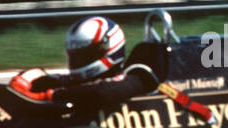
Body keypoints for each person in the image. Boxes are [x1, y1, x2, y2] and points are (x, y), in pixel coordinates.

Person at [9, 16, 159, 110]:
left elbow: (101, 92)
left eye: (84, 55)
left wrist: (48, 97)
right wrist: (28, 78)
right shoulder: (83, 82)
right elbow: (58, 80)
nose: (78, 61)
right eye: (75, 55)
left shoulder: (134, 78)